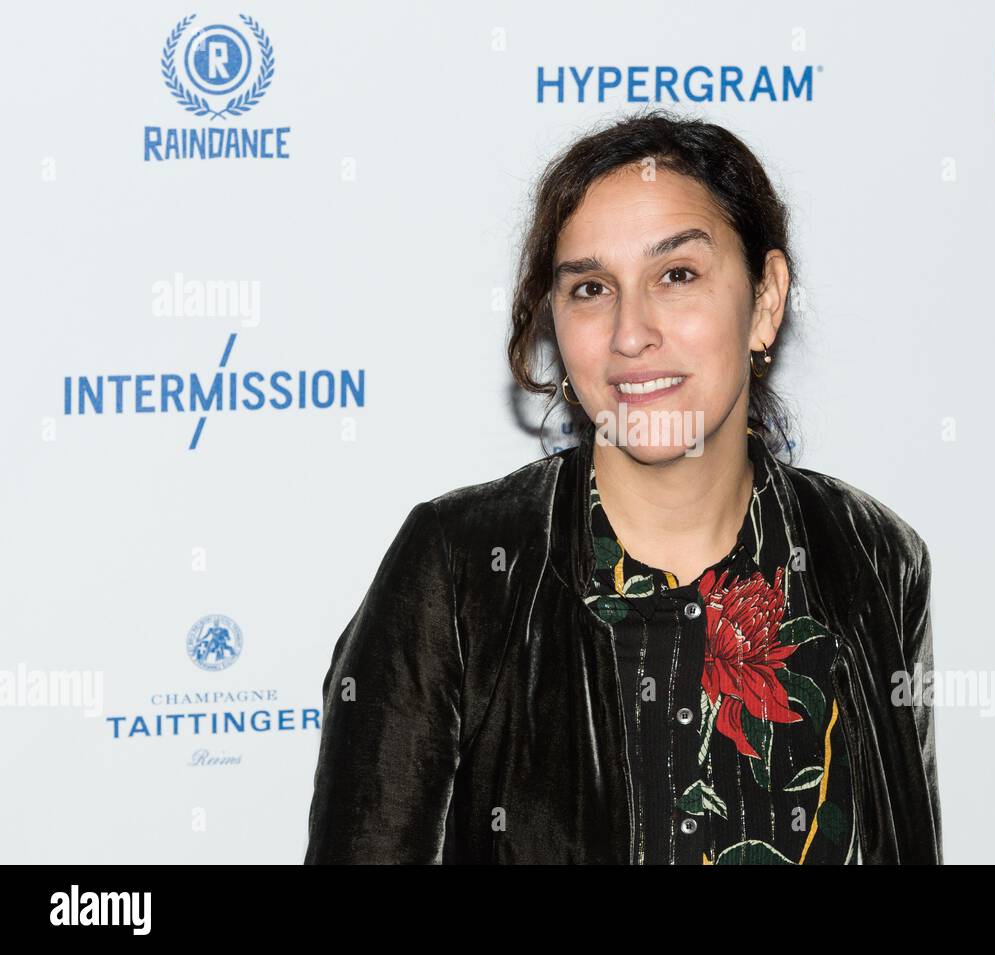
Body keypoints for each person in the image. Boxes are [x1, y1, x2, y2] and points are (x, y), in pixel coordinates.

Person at [304, 108, 941, 864]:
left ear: (766, 300)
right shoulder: (458, 568)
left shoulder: (871, 556)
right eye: (590, 288)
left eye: (677, 275)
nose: (630, 332)